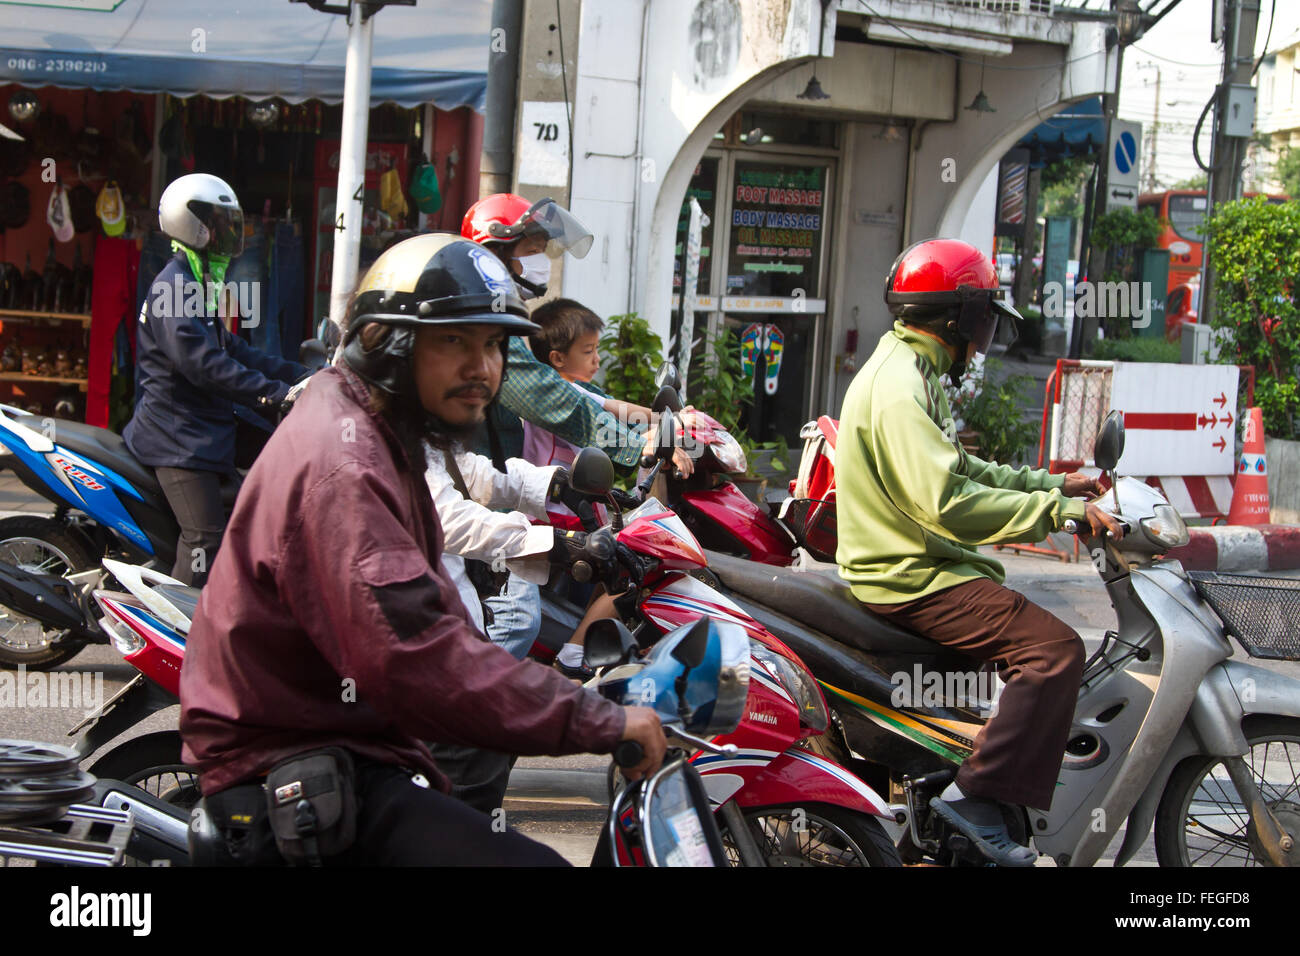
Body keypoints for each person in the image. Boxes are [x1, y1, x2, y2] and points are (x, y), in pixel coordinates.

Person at [179, 233, 666, 865]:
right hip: (293, 760)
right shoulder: (348, 464)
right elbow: (417, 653)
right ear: (389, 343)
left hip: (353, 740)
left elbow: (471, 475)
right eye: (454, 342)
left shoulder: (381, 419)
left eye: (493, 344)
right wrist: (598, 719)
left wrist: (558, 501)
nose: (483, 368)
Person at [835, 238, 1123, 867]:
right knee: (1053, 652)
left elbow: (959, 467)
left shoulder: (913, 370)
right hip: (909, 574)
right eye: (985, 317)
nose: (988, 333)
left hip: (923, 563)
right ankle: (974, 798)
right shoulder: (899, 387)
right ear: (956, 318)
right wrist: (1061, 513)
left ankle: (954, 807)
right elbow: (948, 501)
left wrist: (1054, 484)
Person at [123, 173, 306, 586]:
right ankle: (184, 637)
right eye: (219, 222)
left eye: (230, 222)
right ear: (194, 225)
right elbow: (204, 366)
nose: (229, 231)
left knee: (272, 463)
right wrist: (275, 396)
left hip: (205, 425)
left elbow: (235, 350)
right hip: (179, 438)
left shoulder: (198, 281)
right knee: (204, 538)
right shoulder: (175, 285)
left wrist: (301, 375)